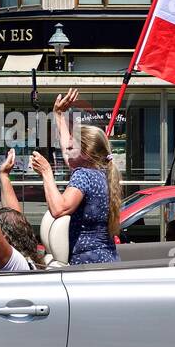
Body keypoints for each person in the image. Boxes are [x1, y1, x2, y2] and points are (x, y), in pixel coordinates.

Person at [31, 88, 120, 265]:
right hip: (106, 260)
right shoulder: (102, 173)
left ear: (86, 153)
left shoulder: (83, 175)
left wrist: (47, 173)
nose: (66, 152)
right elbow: (66, 146)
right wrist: (58, 114)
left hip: (88, 264)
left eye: (73, 148)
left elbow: (59, 209)